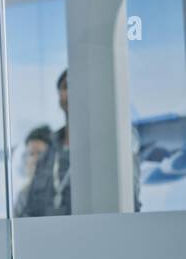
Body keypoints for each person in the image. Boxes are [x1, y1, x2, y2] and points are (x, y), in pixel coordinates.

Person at [21, 68, 141, 216]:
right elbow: (30, 209)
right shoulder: (48, 153)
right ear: (59, 97)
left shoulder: (112, 147)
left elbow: (130, 205)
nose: (72, 92)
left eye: (79, 86)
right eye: (66, 87)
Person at [12, 125, 51, 217]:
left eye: (40, 153)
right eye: (31, 154)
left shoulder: (60, 192)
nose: (35, 160)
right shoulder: (24, 195)